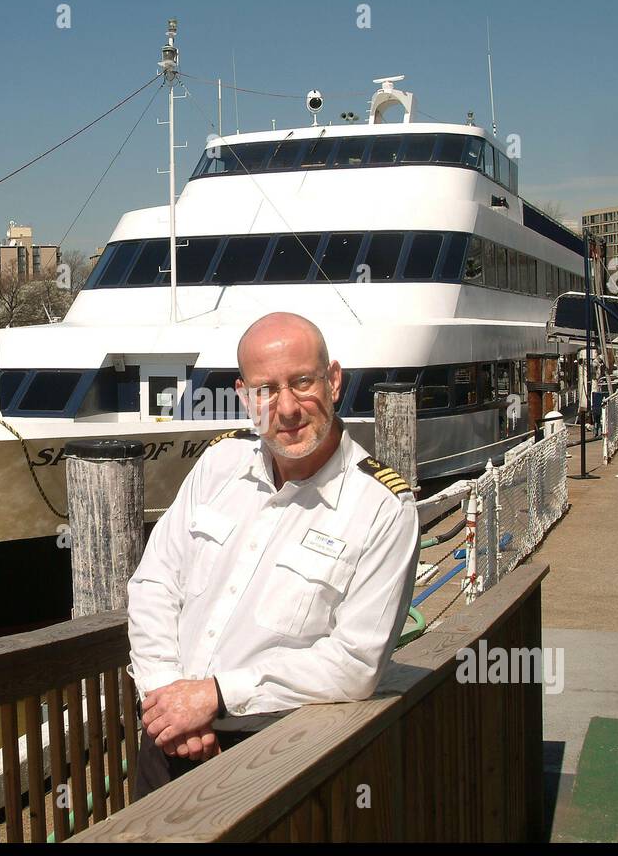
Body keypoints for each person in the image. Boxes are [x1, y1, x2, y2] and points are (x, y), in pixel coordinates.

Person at [126, 312, 420, 799]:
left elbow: (355, 662)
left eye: (302, 381)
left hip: (275, 754)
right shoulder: (218, 465)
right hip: (168, 736)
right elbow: (154, 584)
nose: (286, 408)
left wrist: (215, 695)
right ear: (244, 395)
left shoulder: (382, 510)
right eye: (265, 389)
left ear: (334, 381)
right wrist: (168, 697)